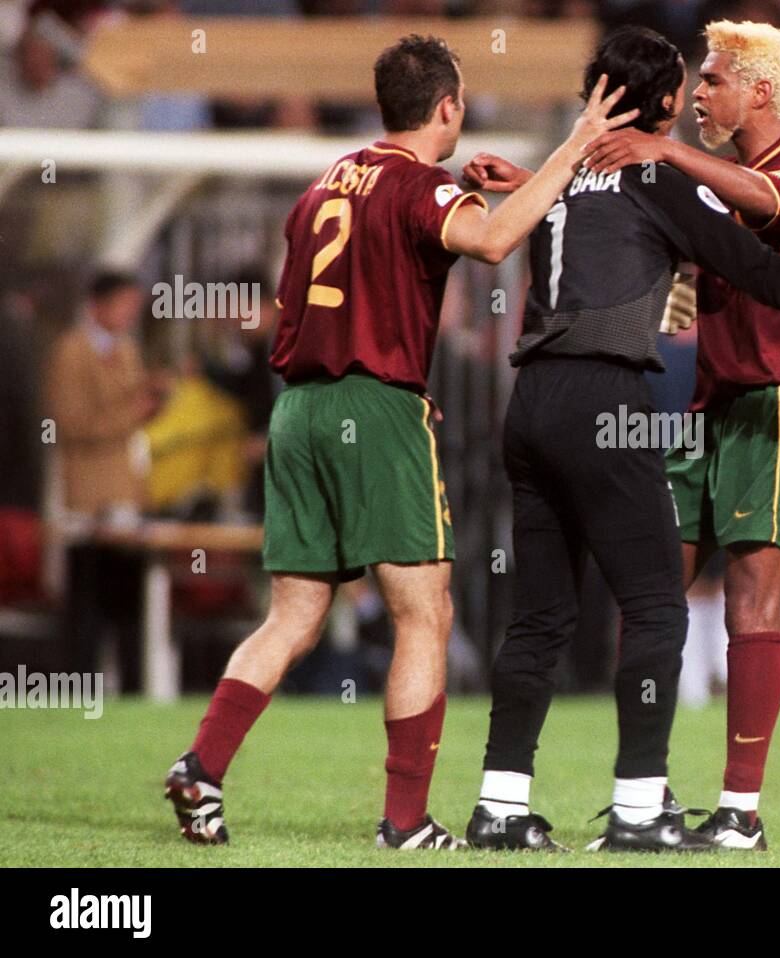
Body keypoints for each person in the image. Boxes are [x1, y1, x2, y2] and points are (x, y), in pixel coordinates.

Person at [460, 25, 780, 853]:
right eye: (692, 86)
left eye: (716, 82)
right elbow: (641, 215)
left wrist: (648, 151)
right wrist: (560, 175)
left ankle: (737, 811)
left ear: (760, 93)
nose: (700, 95)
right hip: (708, 403)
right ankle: (643, 796)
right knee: (657, 591)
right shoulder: (677, 179)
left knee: (748, 604)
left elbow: (752, 226)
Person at [163, 33, 639, 851]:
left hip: (298, 408)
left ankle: (202, 766)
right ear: (448, 108)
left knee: (294, 612)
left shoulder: (319, 188)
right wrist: (570, 151)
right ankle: (407, 820)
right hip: (374, 406)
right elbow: (492, 242)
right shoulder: (421, 186)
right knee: (425, 612)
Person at [45, 271, 151, 691]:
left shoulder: (127, 349)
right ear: (97, 305)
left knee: (126, 604)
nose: (129, 314)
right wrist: (136, 411)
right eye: (123, 304)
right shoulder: (71, 352)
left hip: (126, 495)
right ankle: (77, 693)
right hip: (86, 499)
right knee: (86, 607)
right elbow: (69, 424)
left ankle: (131, 693)